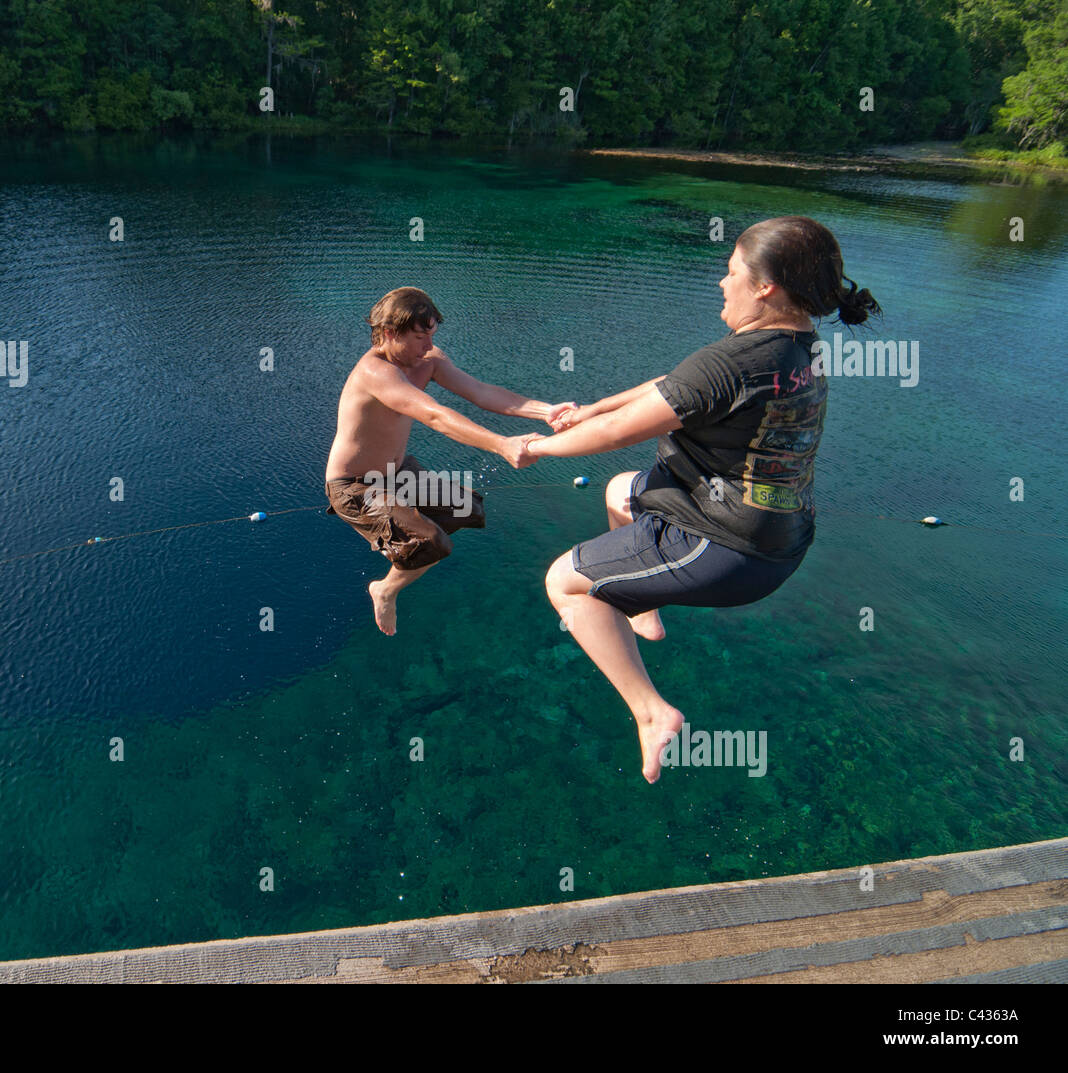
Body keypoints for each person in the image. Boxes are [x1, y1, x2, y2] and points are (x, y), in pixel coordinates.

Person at [525, 216, 881, 783]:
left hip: (727, 549)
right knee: (621, 490)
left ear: (765, 287)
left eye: (732, 271)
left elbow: (624, 431)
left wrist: (540, 449)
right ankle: (645, 612)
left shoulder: (735, 360)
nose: (722, 282)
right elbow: (675, 384)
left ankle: (651, 711)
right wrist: (592, 407)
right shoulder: (798, 348)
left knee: (564, 582)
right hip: (779, 536)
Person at [326, 287, 575, 635]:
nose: (428, 346)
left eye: (431, 335)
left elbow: (482, 392)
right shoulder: (375, 373)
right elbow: (436, 417)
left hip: (397, 474)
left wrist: (547, 411)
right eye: (419, 337)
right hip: (355, 487)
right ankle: (385, 588)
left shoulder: (427, 361)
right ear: (388, 334)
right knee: (432, 543)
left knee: (467, 509)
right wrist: (502, 445)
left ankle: (402, 537)